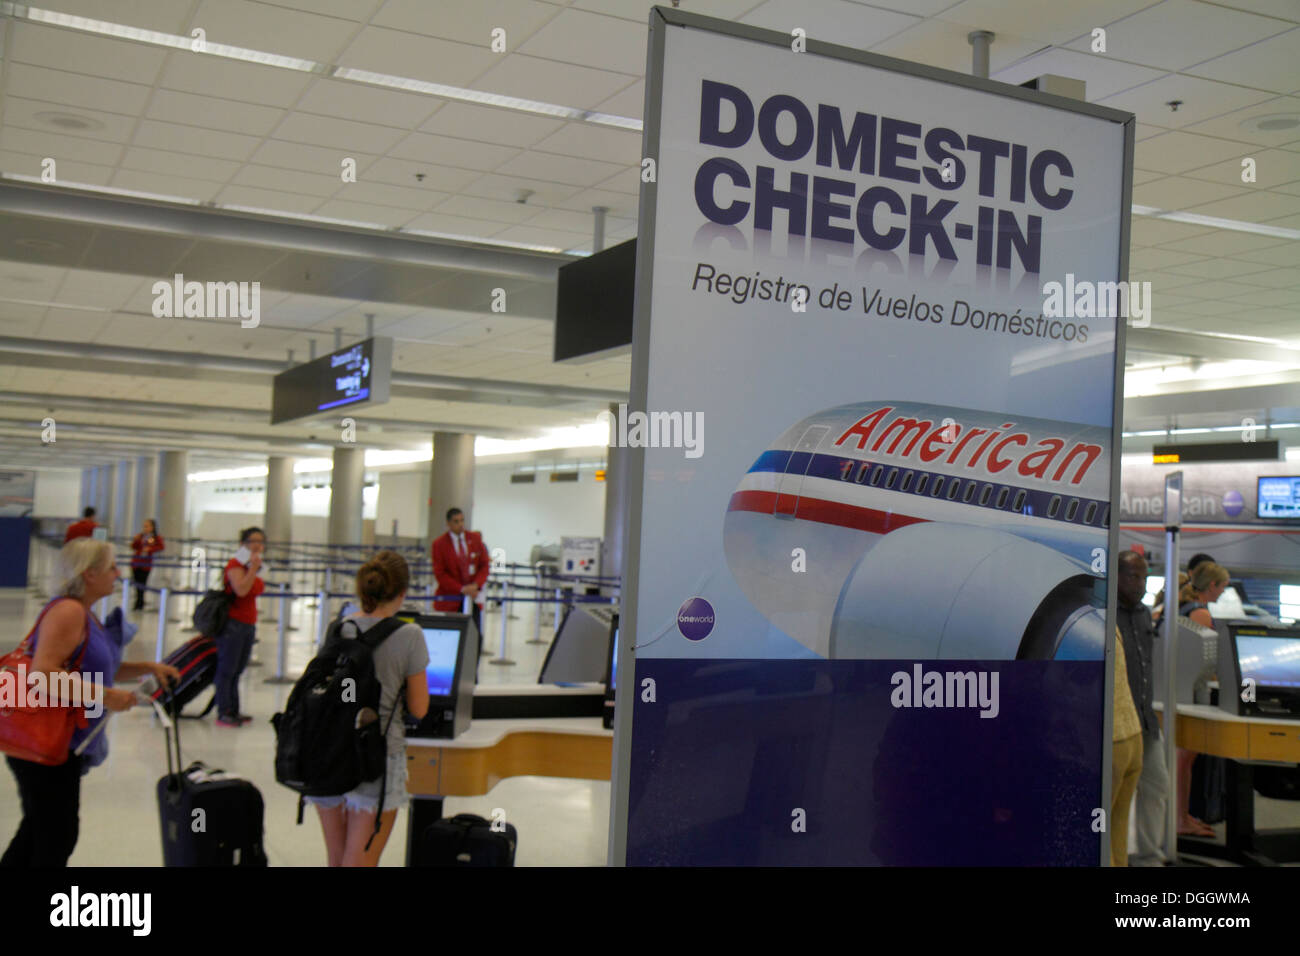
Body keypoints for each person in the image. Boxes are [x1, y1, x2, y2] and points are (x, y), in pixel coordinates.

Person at [2, 538, 179, 867]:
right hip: (46, 742)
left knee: (39, 831)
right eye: (111, 566)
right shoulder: (68, 611)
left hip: (64, 743)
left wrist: (146, 668)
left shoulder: (86, 614)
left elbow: (96, 667)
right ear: (89, 573)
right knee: (56, 837)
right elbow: (42, 674)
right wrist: (107, 696)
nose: (118, 573)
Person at [307, 551, 429, 866]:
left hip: (328, 752)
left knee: (337, 859)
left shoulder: (339, 629)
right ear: (402, 593)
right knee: (360, 861)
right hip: (375, 757)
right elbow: (419, 707)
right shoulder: (410, 635)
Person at [1116, 549, 1168, 866]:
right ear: (1118, 575)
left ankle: (1150, 857)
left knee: (1157, 785)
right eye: (1134, 576)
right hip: (1119, 726)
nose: (1141, 584)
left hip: (1145, 722)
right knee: (1116, 799)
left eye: (1144, 578)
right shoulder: (1106, 614)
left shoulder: (1144, 614)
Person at [1175, 560, 1230, 837]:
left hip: (1183, 690)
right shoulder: (1200, 614)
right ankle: (1180, 818)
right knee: (1184, 758)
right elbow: (1205, 662)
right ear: (1212, 585)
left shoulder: (1184, 607)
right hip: (1192, 693)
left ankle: (1183, 816)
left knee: (1183, 759)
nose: (1223, 593)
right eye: (1223, 587)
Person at [214, 527, 265, 728]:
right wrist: (253, 569)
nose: (257, 545)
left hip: (248, 623)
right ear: (243, 543)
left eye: (261, 542)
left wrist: (254, 568)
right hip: (233, 623)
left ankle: (233, 709)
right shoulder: (236, 564)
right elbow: (241, 590)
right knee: (227, 669)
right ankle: (223, 711)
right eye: (253, 541)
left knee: (237, 670)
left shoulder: (254, 565)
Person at [431, 507, 489, 641]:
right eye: (456, 521)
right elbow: (440, 574)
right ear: (448, 524)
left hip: (473, 598)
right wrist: (462, 589)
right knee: (450, 638)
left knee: (474, 638)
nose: (460, 524)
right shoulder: (439, 544)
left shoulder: (474, 539)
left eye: (462, 520)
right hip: (450, 600)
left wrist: (475, 585)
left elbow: (484, 565)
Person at [1111, 627, 1143, 867]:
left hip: (1110, 741)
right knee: (1116, 832)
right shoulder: (1111, 623)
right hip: (1132, 733)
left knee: (1095, 837)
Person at [129, 519, 164, 611]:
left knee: (143, 583)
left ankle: (140, 603)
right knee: (137, 583)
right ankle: (138, 603)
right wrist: (135, 540)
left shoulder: (156, 538)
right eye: (144, 526)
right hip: (136, 563)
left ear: (152, 527)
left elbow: (161, 547)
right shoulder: (140, 536)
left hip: (146, 564)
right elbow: (133, 547)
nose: (145, 528)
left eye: (147, 526)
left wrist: (150, 549)